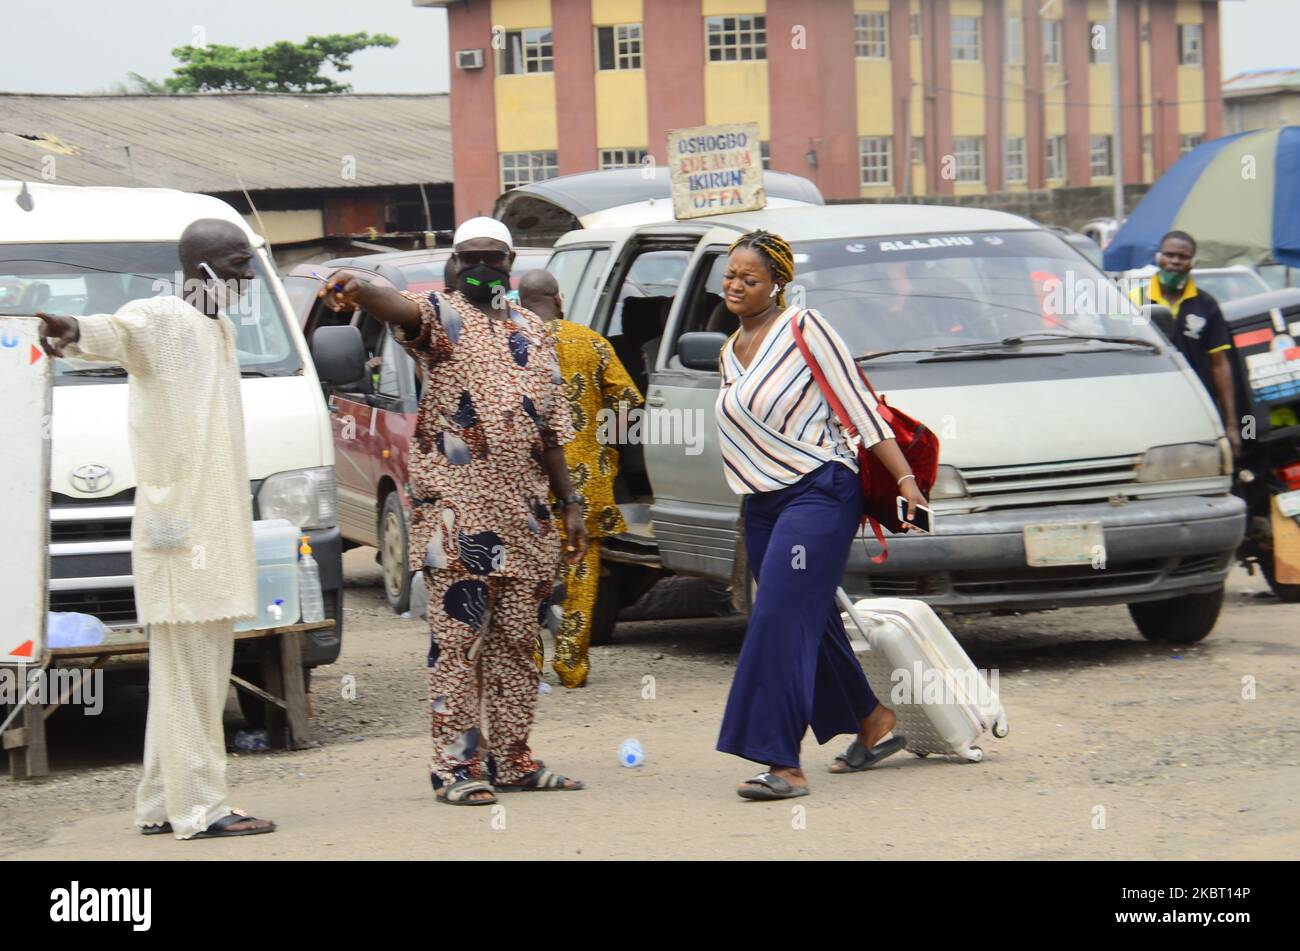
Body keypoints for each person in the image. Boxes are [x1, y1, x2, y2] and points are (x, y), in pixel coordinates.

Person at [318, 217, 588, 805]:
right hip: (460, 519)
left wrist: (570, 504)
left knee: (520, 643)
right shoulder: (439, 319)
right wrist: (360, 288)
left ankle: (513, 759)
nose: (482, 268)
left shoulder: (536, 333)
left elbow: (550, 431)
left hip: (528, 518)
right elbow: (399, 309)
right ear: (454, 265)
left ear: (511, 262)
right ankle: (456, 770)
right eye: (470, 258)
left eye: (493, 257)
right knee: (459, 646)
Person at [37, 218, 275, 839]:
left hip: (204, 528)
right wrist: (75, 331)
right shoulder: (167, 317)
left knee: (186, 672)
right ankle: (203, 807)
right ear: (200, 269)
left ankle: (160, 803)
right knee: (193, 675)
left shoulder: (214, 327)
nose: (246, 278)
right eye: (235, 265)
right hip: (184, 533)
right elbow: (119, 329)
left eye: (248, 264)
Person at [712, 229, 928, 801]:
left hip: (820, 492)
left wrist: (905, 478)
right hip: (761, 504)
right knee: (812, 616)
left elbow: (860, 406)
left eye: (749, 278)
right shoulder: (728, 350)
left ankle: (781, 763)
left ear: (777, 284)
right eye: (730, 273)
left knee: (778, 617)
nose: (735, 284)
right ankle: (871, 718)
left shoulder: (805, 328)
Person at [517, 269, 643, 688]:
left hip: (526, 484)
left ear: (519, 302)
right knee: (581, 573)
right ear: (559, 297)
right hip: (584, 482)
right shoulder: (590, 342)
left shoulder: (509, 345)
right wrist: (607, 447)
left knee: (529, 580)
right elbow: (628, 401)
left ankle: (527, 668)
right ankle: (571, 668)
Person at [1129, 230, 1240, 457]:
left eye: (1183, 257)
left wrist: (1231, 423)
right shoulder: (1132, 300)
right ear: (1158, 257)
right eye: (1169, 255)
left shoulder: (1207, 304)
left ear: (1193, 262)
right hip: (1150, 406)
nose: (1175, 261)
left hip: (1198, 405)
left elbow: (1219, 364)